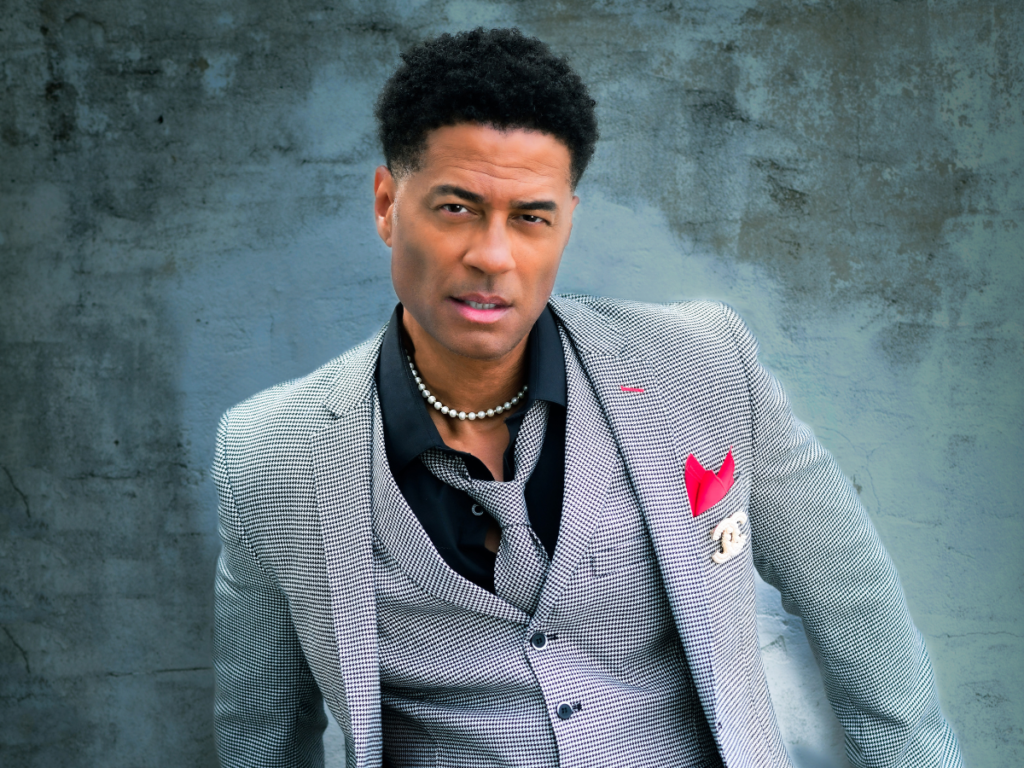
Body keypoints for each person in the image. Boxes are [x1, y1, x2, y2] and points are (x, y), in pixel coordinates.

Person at [213, 27, 962, 768]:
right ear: (386, 205)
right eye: (456, 208)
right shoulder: (270, 453)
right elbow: (261, 729)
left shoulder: (702, 364)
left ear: (567, 222)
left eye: (530, 218)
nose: (493, 256)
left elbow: (856, 606)